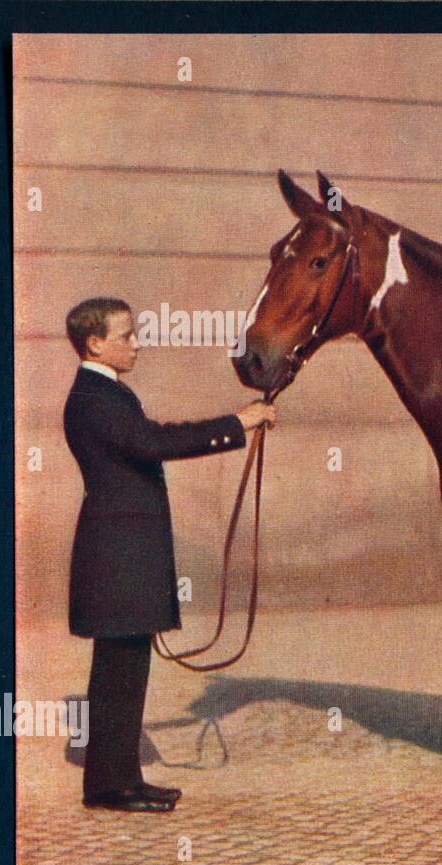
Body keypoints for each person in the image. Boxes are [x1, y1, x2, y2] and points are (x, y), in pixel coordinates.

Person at [62, 297, 275, 813]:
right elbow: (152, 442)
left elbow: (145, 441)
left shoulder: (107, 392)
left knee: (127, 669)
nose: (136, 342)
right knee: (117, 669)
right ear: (95, 343)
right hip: (117, 558)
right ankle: (108, 787)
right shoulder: (94, 397)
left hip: (123, 555)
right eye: (127, 334)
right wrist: (236, 423)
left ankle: (121, 779)